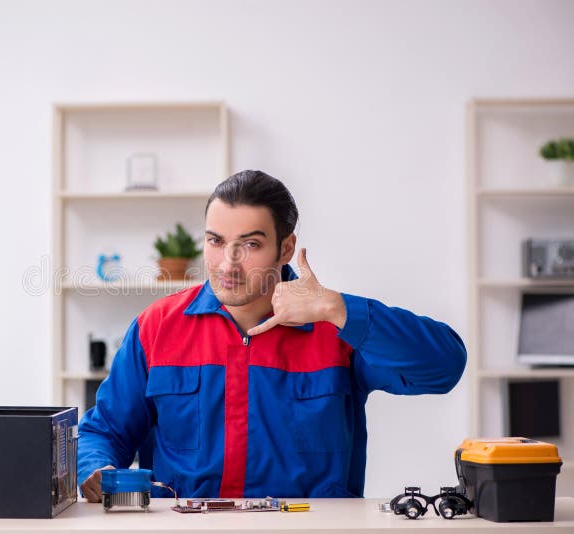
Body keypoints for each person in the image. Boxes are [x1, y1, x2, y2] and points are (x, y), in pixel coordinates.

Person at [77, 170, 466, 501]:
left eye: (250, 244)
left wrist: (338, 309)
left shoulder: (336, 330)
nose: (228, 263)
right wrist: (96, 468)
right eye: (215, 241)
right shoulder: (156, 327)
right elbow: (105, 430)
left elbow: (443, 368)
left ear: (286, 248)